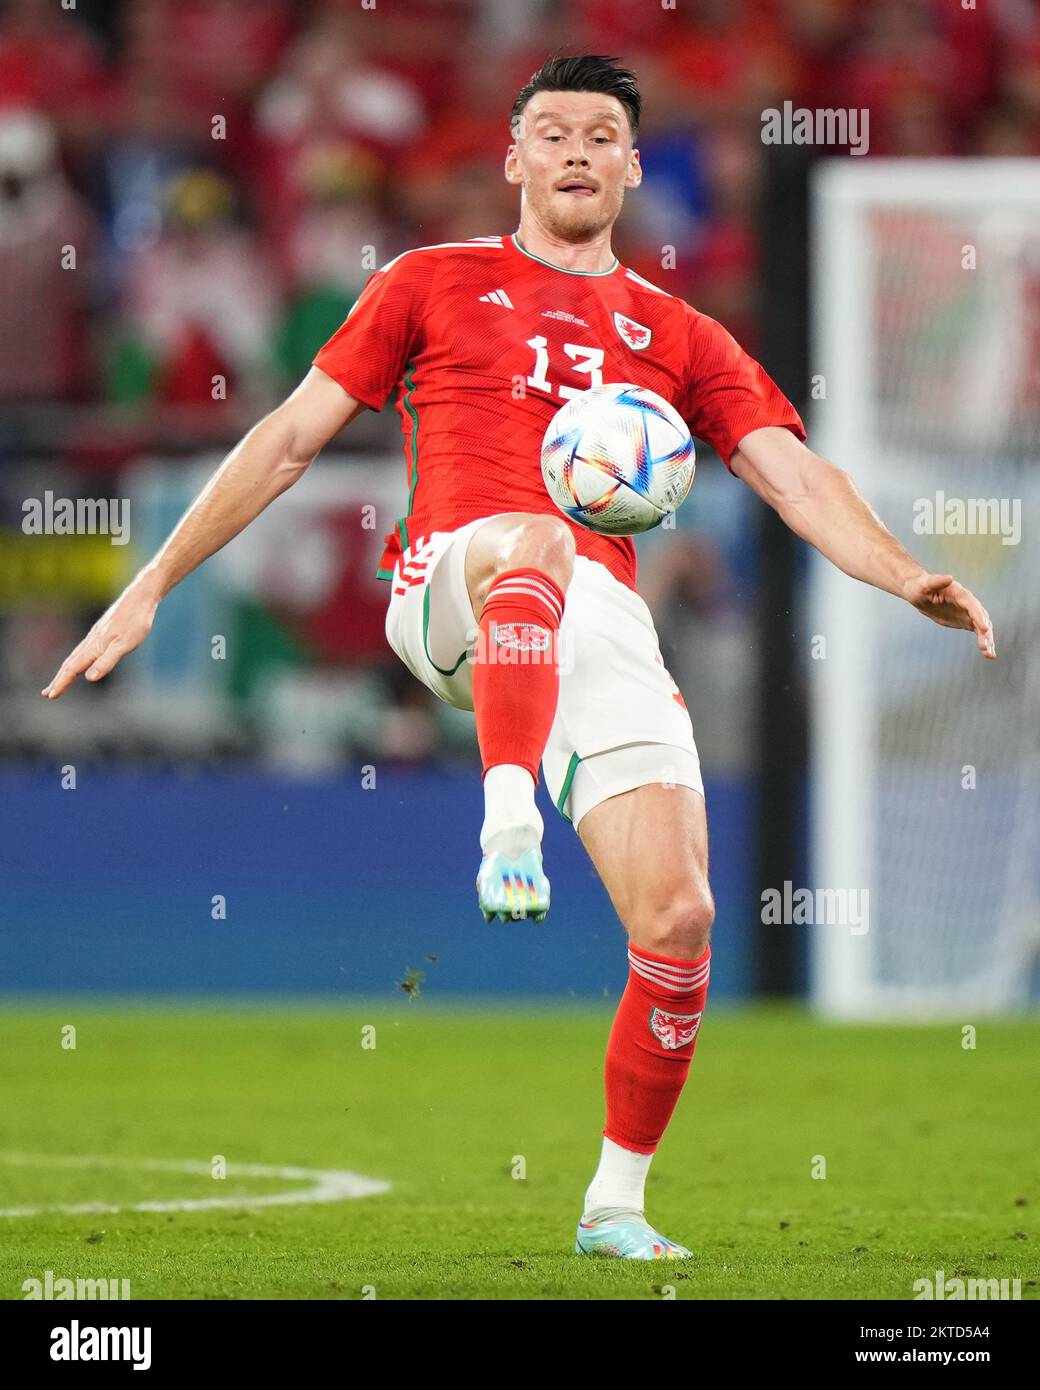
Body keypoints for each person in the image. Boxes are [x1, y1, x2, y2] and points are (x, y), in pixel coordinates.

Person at [42, 53, 996, 1262]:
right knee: (537, 530)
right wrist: (150, 583)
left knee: (682, 914)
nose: (579, 152)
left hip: (595, 628)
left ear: (635, 165)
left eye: (603, 134)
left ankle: (614, 1204)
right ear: (514, 160)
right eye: (553, 133)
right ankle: (506, 817)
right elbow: (287, 439)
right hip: (451, 579)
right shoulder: (427, 281)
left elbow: (793, 473)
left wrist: (900, 569)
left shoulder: (678, 333)